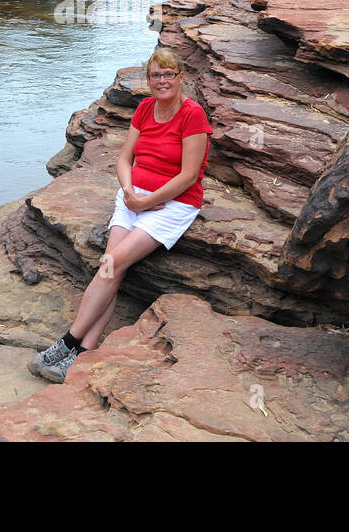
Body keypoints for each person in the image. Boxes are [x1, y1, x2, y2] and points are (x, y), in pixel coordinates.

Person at [28, 46, 213, 382]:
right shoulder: (144, 108)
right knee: (112, 268)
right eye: (155, 75)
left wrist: (147, 201)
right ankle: (84, 352)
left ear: (181, 77)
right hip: (133, 198)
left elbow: (188, 175)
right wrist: (129, 192)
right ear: (148, 80)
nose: (162, 81)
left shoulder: (192, 115)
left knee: (110, 266)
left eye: (168, 74)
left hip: (172, 205)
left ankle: (67, 344)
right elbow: (124, 159)